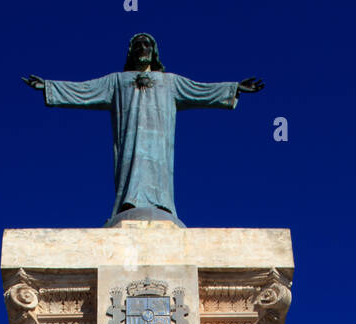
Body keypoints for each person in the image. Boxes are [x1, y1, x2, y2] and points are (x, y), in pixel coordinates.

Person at [23, 33, 264, 224]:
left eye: (147, 45)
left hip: (159, 143)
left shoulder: (169, 82)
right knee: (130, 166)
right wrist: (49, 87)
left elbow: (201, 90)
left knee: (158, 171)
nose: (143, 49)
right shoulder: (117, 81)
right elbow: (85, 91)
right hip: (130, 140)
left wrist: (234, 89)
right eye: (138, 45)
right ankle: (129, 203)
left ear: (154, 52)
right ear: (131, 52)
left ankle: (160, 204)